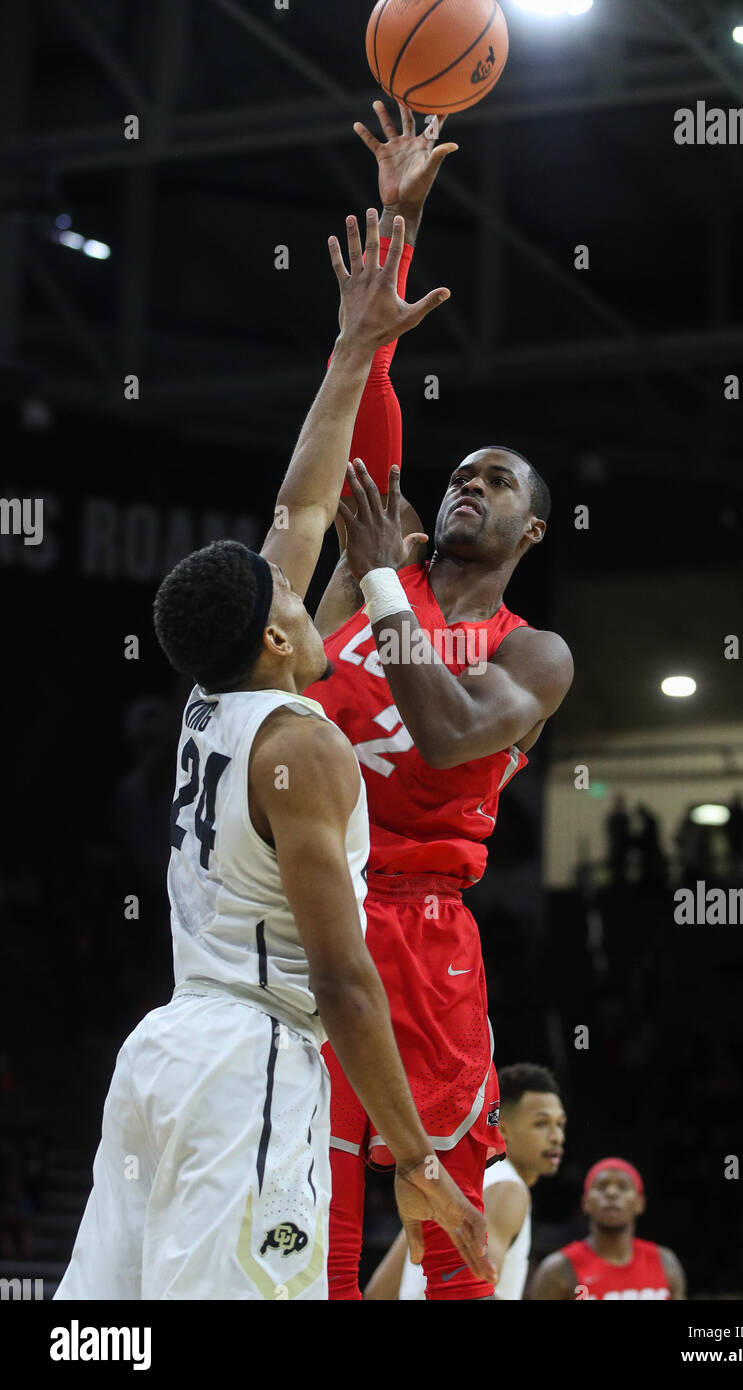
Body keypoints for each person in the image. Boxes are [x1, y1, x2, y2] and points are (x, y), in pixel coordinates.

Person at [55, 212, 493, 1300]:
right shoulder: (302, 744)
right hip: (248, 1066)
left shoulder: (212, 700)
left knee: (97, 1328)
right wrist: (423, 1162)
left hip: (158, 1055)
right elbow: (345, 984)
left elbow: (301, 499)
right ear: (272, 633)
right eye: (286, 597)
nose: (297, 591)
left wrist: (356, 344)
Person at [305, 101, 574, 1301]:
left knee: (439, 1208)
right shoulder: (379, 563)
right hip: (312, 895)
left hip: (421, 924)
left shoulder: (534, 652)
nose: (468, 484)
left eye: (496, 480)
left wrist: (376, 577)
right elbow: (368, 387)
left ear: (532, 526)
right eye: (460, 473)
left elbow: (459, 736)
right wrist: (401, 221)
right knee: (310, 1196)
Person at [365, 1062, 566, 1300]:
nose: (556, 1137)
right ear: (501, 1130)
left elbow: (377, 1292)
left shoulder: (444, 1182)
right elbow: (471, 1293)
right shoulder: (506, 1189)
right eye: (541, 1124)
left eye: (560, 1124)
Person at [527, 1157, 686, 1300]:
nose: (611, 1193)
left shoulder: (665, 1263)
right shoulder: (558, 1270)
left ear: (640, 1203)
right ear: (586, 1202)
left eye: (623, 1187)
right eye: (601, 1187)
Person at [606, 795, 630, 885]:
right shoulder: (621, 818)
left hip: (620, 850)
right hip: (618, 850)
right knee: (617, 872)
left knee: (620, 872)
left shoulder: (621, 817)